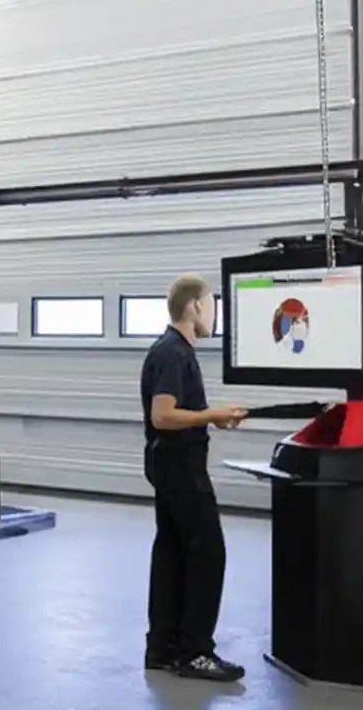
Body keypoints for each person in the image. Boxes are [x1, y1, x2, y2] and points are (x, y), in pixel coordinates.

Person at [140, 274, 247, 682]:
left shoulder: (169, 349)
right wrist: (211, 415)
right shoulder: (175, 354)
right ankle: (196, 652)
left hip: (168, 464)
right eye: (212, 304)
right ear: (197, 307)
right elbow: (163, 415)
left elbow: (173, 414)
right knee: (208, 553)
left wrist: (208, 420)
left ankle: (163, 649)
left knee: (171, 553)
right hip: (180, 467)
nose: (215, 314)